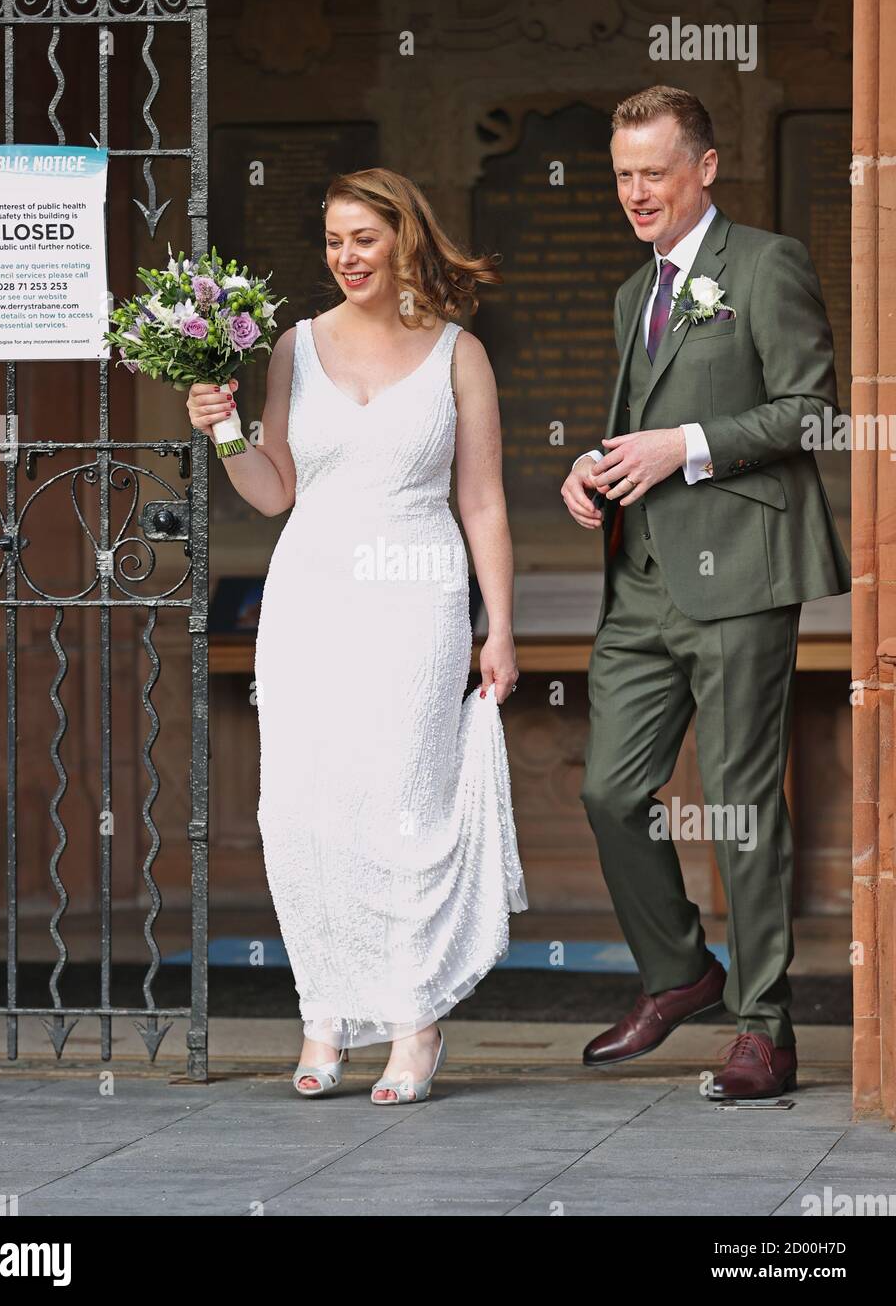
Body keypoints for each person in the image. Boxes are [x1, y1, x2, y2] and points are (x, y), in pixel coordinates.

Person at [188, 168, 527, 1104]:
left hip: (416, 597)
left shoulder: (459, 353)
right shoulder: (292, 346)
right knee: (303, 806)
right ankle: (325, 1014)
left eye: (364, 239)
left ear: (405, 238)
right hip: (309, 598)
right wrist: (220, 431)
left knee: (403, 804)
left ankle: (415, 1027)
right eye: (334, 240)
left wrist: (498, 628)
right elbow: (272, 490)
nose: (347, 257)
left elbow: (484, 501)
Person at [561, 86, 850, 1099]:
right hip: (641, 585)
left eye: (653, 172)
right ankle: (682, 971)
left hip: (741, 572)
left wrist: (682, 447)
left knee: (737, 804)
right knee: (607, 789)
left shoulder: (763, 265)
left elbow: (809, 411)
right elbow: (635, 424)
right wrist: (592, 470)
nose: (635, 193)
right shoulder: (628, 294)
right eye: (622, 176)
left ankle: (765, 1030)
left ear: (705, 168)